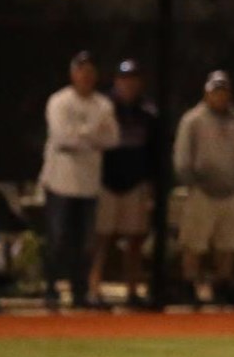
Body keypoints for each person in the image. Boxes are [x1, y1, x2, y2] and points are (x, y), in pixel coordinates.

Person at [39, 51, 119, 309]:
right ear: (73, 74)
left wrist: (81, 136)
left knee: (85, 243)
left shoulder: (103, 105)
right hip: (59, 183)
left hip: (88, 185)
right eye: (81, 70)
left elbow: (112, 139)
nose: (85, 76)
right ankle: (51, 289)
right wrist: (92, 135)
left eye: (90, 71)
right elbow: (62, 138)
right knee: (58, 239)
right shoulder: (59, 101)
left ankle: (79, 292)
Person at [173, 71, 234, 305]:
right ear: (207, 93)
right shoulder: (192, 119)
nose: (220, 96)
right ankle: (190, 287)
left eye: (223, 91)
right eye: (215, 91)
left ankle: (223, 287)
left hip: (233, 191)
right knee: (194, 243)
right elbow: (182, 157)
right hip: (202, 191)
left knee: (229, 244)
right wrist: (191, 182)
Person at [92, 59, 162, 309]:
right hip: (106, 182)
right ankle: (93, 289)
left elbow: (154, 151)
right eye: (124, 79)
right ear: (116, 81)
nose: (128, 84)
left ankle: (133, 290)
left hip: (135, 183)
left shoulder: (148, 111)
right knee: (101, 239)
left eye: (133, 79)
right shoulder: (103, 107)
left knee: (135, 240)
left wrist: (151, 184)